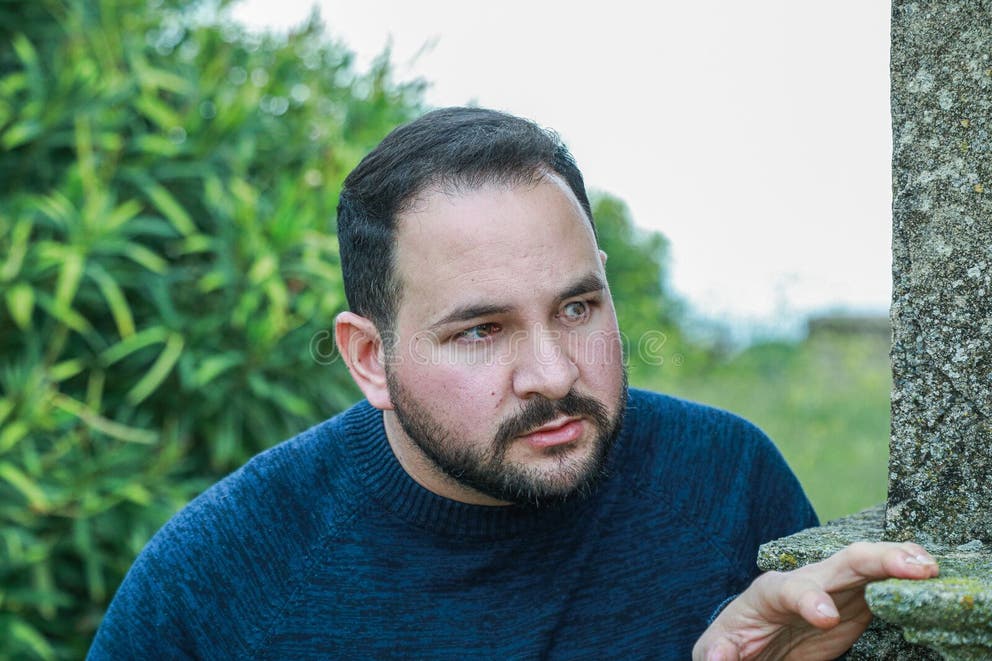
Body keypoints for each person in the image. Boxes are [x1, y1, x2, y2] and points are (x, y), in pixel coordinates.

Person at [88, 107, 937, 660]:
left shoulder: (726, 480)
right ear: (368, 358)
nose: (556, 374)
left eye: (576, 308)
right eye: (481, 330)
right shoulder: (218, 581)